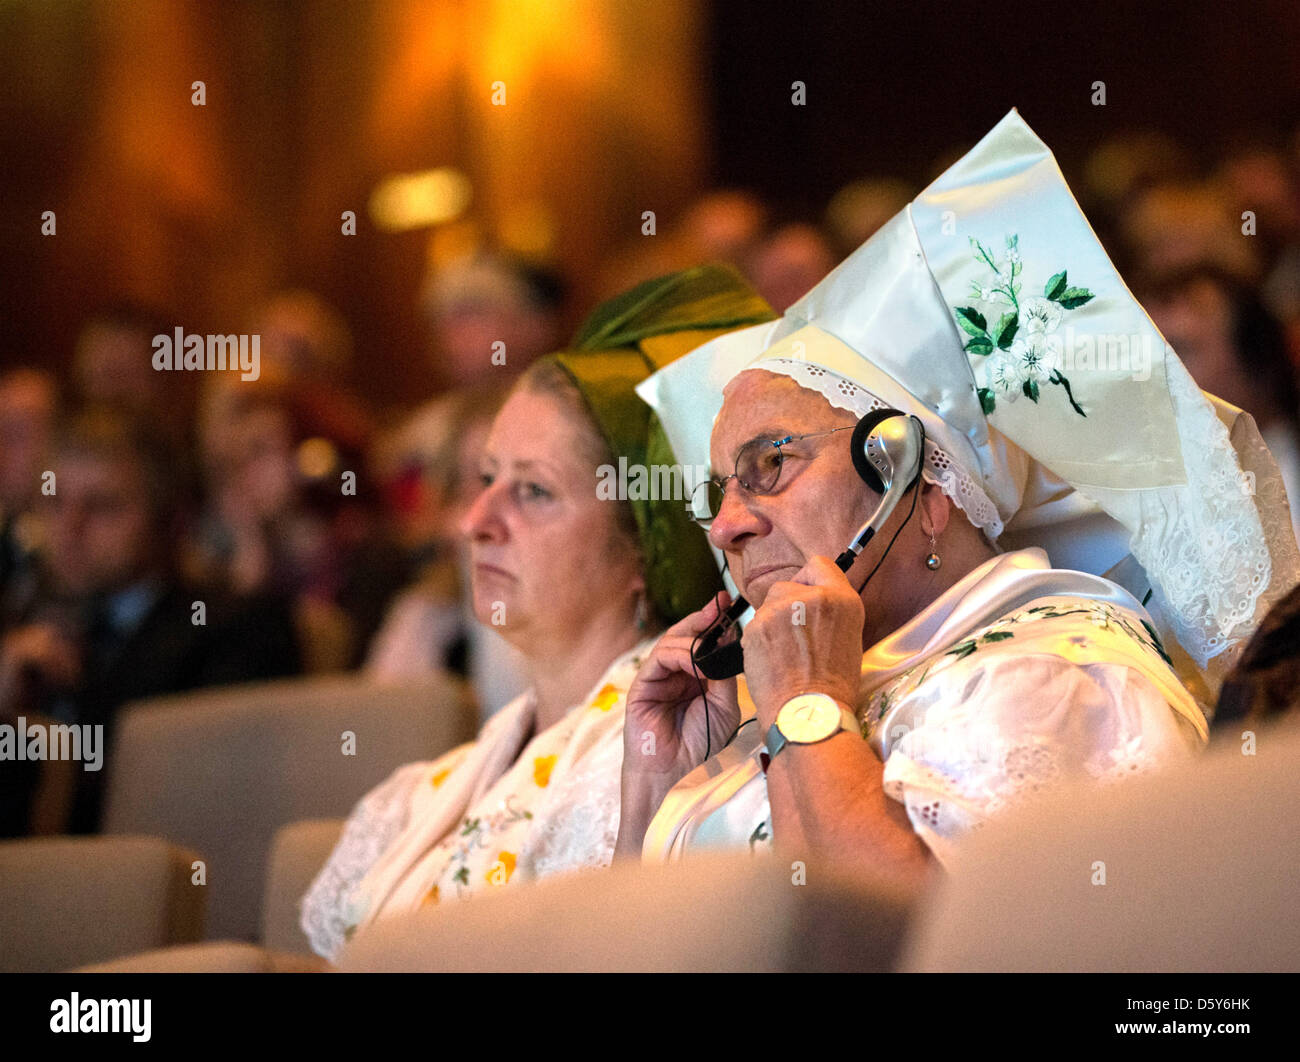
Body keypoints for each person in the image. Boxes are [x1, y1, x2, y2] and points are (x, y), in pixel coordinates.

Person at [616, 111, 1300, 883]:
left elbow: (916, 946)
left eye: (771, 463)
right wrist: (653, 780)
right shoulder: (778, 691)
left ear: (923, 485)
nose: (731, 525)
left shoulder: (1056, 671)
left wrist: (805, 708)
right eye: (721, 492)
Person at [299, 265, 776, 961]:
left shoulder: (681, 763)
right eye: (487, 479)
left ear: (643, 547)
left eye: (533, 492)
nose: (475, 522)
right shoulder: (411, 800)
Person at [0, 406, 301, 835]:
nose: (70, 526)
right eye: (53, 501)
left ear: (172, 521)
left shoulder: (237, 628)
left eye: (102, 506)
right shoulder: (16, 625)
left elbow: (170, 803)